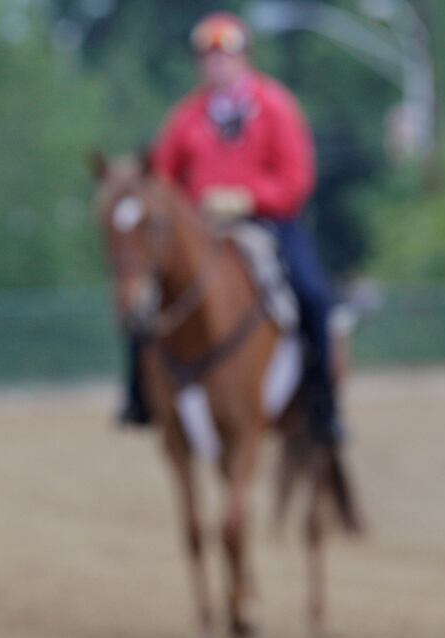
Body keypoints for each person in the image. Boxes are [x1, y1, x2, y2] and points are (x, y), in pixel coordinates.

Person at [120, 10, 343, 446]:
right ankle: (139, 396)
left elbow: (296, 179)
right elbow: (162, 179)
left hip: (270, 223)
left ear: (244, 58)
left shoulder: (275, 107)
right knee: (142, 298)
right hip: (203, 230)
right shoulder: (187, 117)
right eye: (208, 57)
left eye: (225, 55)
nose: (217, 64)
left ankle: (324, 405)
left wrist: (248, 197)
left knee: (313, 296)